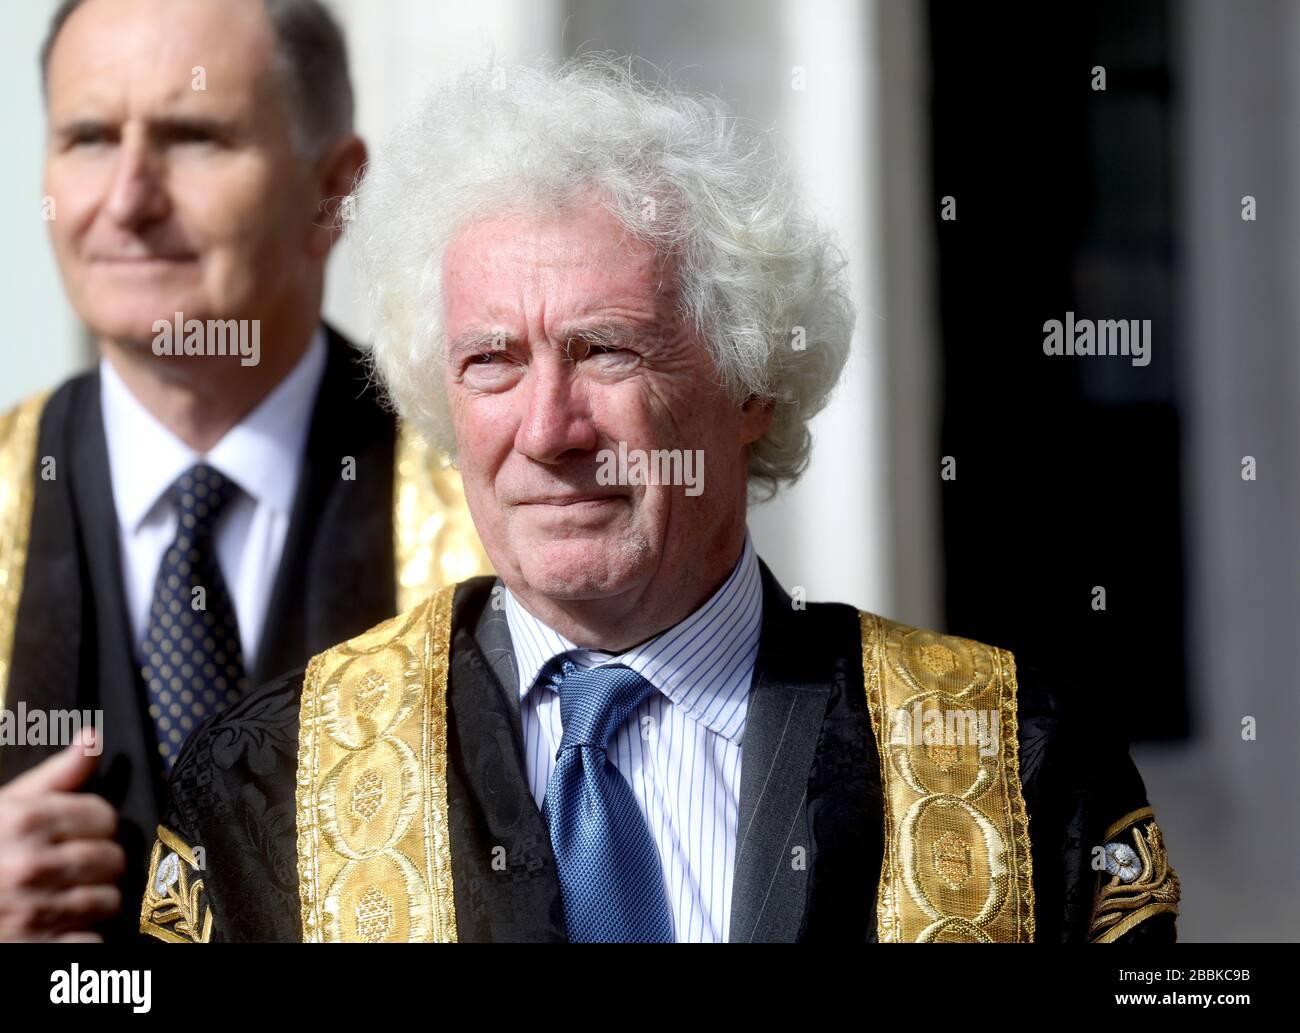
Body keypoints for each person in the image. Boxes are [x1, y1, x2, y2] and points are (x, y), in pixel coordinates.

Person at [142, 57, 1179, 943]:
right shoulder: (267, 784)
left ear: (750, 383)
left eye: (606, 351)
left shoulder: (1016, 762)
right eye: (492, 362)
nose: (547, 431)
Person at [0, 0, 488, 943]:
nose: (128, 201)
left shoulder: (493, 516)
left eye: (193, 138)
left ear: (332, 192)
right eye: (90, 138)